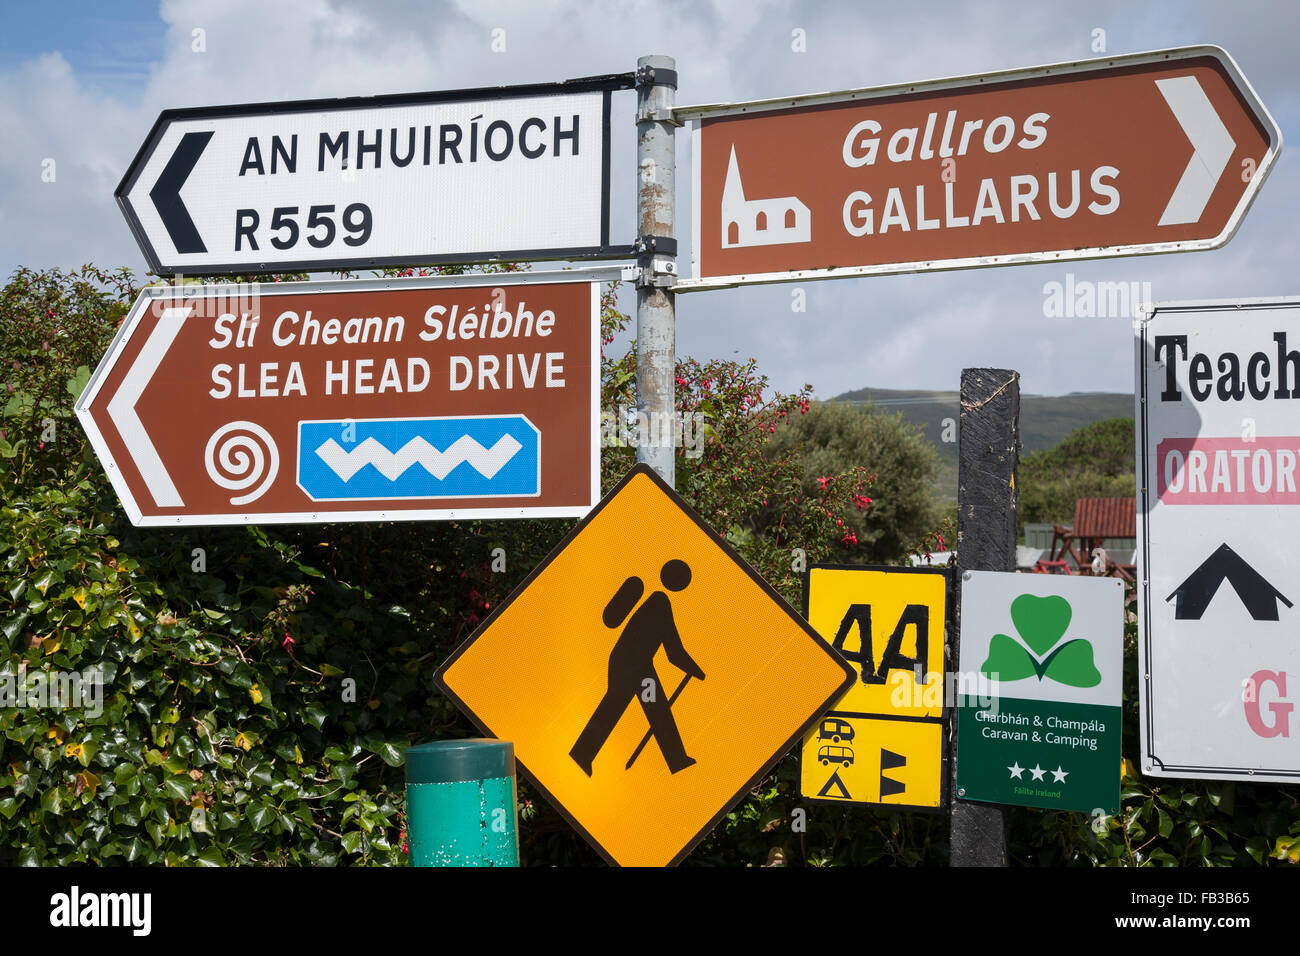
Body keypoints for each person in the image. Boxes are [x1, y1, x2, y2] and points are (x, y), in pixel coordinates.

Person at [570, 559, 705, 776]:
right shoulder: (660, 602)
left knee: (654, 708)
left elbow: (672, 651)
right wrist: (697, 671)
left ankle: (677, 760)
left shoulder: (657, 600)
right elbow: (674, 651)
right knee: (617, 706)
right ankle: (581, 754)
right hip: (629, 663)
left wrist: (692, 668)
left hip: (635, 663)